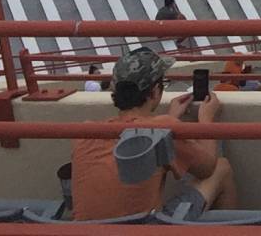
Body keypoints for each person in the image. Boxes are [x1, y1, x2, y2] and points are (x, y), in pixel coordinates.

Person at [70, 45, 235, 218]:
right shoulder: (161, 128)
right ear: (155, 91)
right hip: (142, 231)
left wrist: (170, 119)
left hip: (87, 230)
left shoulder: (86, 132)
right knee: (222, 169)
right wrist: (206, 118)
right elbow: (208, 168)